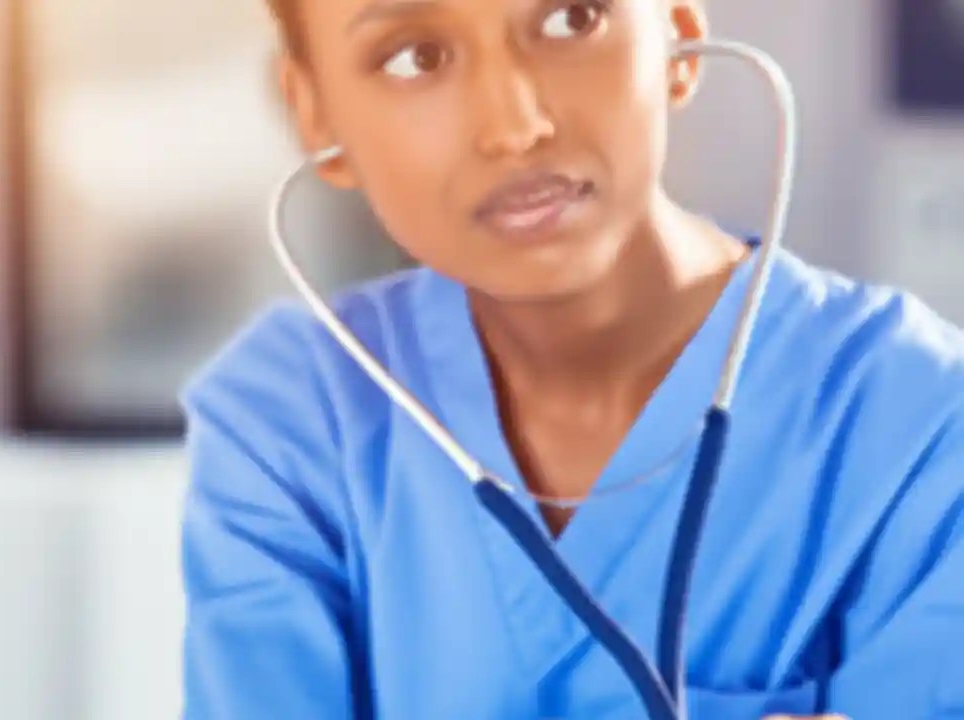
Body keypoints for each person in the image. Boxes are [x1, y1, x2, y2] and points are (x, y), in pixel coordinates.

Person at [178, 0, 964, 717]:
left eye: (571, 19)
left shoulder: (924, 423)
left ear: (679, 41)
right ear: (316, 118)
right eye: (414, 57)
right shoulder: (290, 413)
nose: (515, 125)